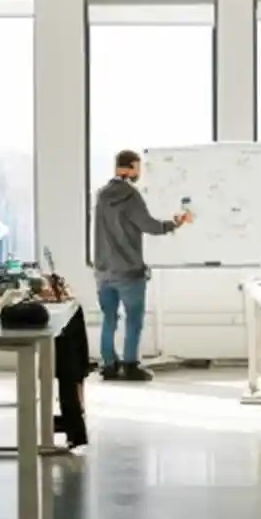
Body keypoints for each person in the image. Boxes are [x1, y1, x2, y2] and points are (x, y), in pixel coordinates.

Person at [91, 150, 192, 381]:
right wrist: (174, 224)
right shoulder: (130, 195)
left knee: (109, 318)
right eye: (138, 168)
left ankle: (108, 365)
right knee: (133, 319)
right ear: (130, 168)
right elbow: (148, 225)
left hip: (103, 270)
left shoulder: (101, 195)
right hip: (128, 270)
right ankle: (130, 365)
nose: (139, 173)